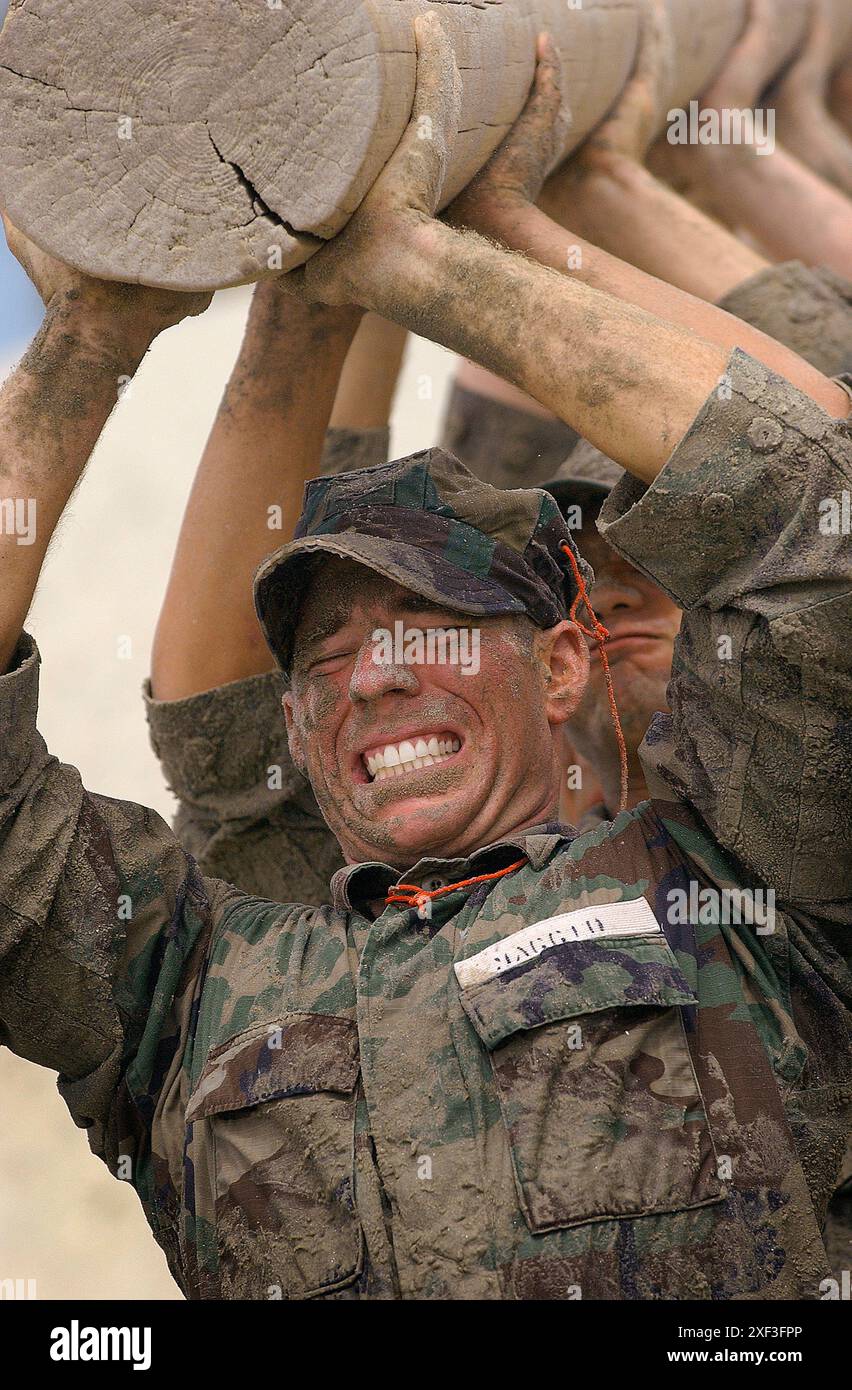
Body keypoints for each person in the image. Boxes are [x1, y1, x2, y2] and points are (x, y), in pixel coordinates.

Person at [1, 17, 850, 1300]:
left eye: (425, 624)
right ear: (298, 727)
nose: (374, 675)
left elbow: (812, 514)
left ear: (558, 670)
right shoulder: (208, 977)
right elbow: (207, 722)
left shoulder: (756, 892)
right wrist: (91, 339)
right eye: (324, 659)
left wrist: (431, 252)